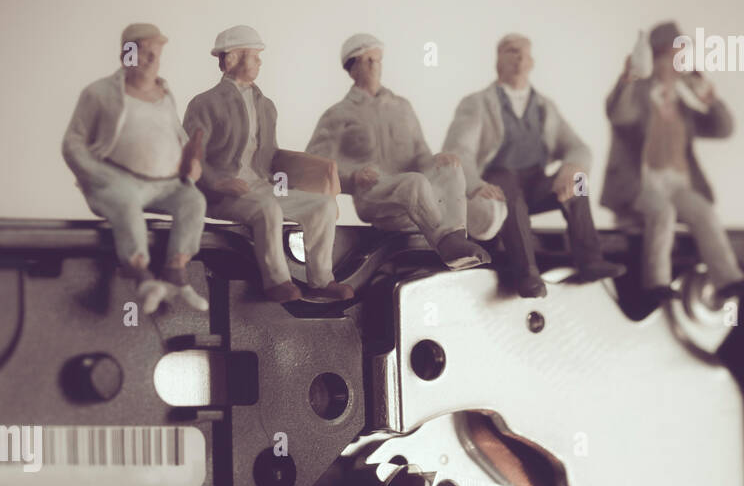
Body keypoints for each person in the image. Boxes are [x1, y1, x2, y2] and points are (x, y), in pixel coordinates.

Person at [444, 34, 624, 298]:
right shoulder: (478, 103)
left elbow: (579, 147)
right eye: (511, 51)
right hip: (498, 178)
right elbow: (459, 151)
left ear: (532, 63)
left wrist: (572, 167)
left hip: (536, 179)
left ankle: (590, 259)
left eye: (524, 53)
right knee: (511, 197)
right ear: (498, 60)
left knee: (580, 183)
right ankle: (528, 275)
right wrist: (475, 185)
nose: (518, 58)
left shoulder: (544, 107)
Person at [184, 26, 352, 304]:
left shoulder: (266, 106)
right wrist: (217, 182)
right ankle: (277, 282)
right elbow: (193, 156)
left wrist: (310, 171)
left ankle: (321, 281)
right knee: (267, 208)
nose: (260, 62)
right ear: (231, 59)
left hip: (262, 185)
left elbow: (270, 154)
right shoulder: (205, 104)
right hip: (220, 194)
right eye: (253, 56)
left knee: (321, 206)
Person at [306, 34, 491, 270]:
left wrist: (437, 160)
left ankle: (456, 237)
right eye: (366, 61)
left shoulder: (402, 107)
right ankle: (447, 245)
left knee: (451, 167)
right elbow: (316, 164)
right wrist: (352, 176)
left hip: (419, 197)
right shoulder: (338, 114)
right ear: (352, 69)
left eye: (377, 60)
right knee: (413, 183)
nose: (374, 66)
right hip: (375, 196)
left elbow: (421, 153)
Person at [62, 23, 208, 315]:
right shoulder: (99, 93)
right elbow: (73, 143)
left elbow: (177, 135)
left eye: (156, 53)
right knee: (126, 203)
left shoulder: (165, 94)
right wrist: (97, 174)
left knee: (193, 201)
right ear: (126, 54)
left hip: (165, 184)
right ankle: (141, 276)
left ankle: (176, 273)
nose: (152, 59)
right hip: (120, 182)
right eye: (143, 52)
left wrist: (191, 163)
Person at [600, 21, 744, 301]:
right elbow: (618, 113)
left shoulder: (682, 105)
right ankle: (656, 283)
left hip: (678, 181)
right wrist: (628, 79)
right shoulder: (639, 97)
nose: (678, 67)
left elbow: (723, 129)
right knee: (662, 213)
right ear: (656, 60)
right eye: (673, 59)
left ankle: (728, 279)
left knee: (703, 212)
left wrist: (710, 99)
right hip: (643, 181)